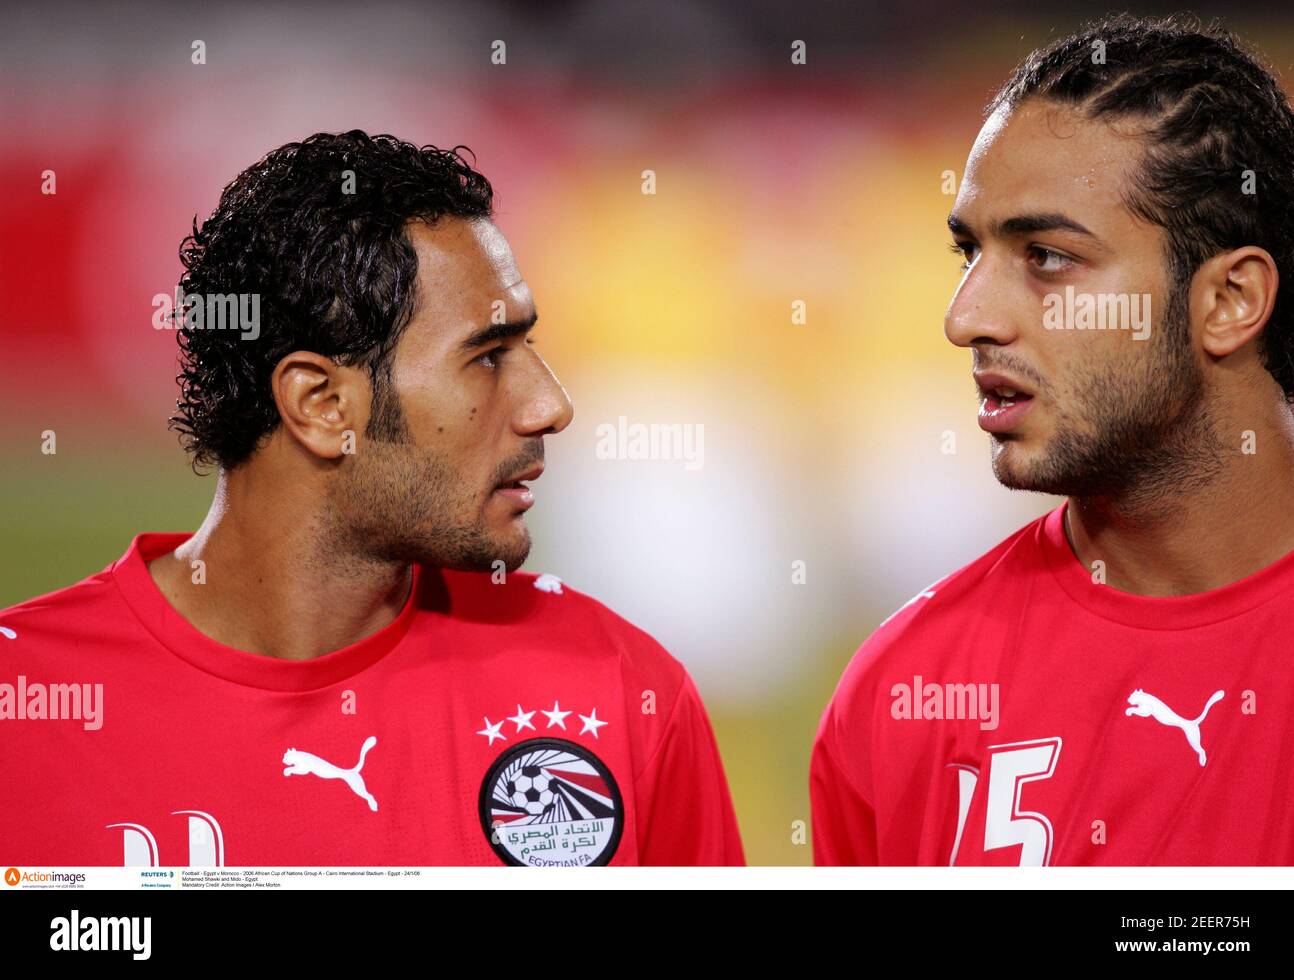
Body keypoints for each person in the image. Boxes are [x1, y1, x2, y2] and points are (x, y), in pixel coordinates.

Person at [0, 131, 743, 867]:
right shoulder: (25, 709)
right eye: (488, 357)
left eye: (530, 349)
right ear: (321, 404)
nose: (549, 405)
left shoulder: (621, 693)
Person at [812, 15, 1294, 865]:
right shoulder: (908, 692)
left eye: (1045, 256)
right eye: (968, 252)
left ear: (1228, 301)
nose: (966, 319)